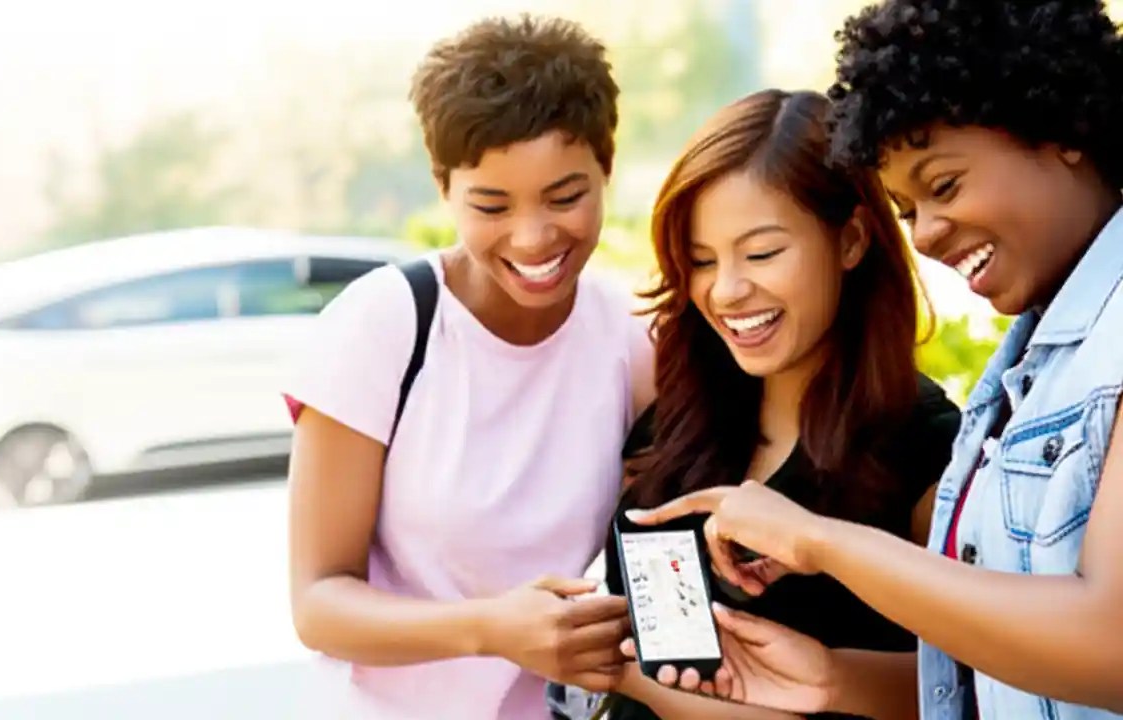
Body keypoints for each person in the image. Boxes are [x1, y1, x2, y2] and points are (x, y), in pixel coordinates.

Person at [626, 2, 1123, 719]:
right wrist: (827, 678)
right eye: (908, 207)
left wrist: (821, 543)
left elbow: (1109, 647)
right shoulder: (1028, 369)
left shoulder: (948, 418)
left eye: (943, 186)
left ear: (1062, 131)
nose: (925, 234)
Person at [283, 14, 653, 720]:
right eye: (491, 204)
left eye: (566, 197)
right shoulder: (385, 325)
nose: (534, 237)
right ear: (443, 186)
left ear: (607, 168)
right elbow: (318, 603)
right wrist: (490, 628)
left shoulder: (630, 343)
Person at [586, 88, 960, 720]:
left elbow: (965, 687)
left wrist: (622, 673)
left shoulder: (925, 445)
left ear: (851, 241)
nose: (727, 290)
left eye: (761, 253)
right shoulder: (676, 418)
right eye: (701, 260)